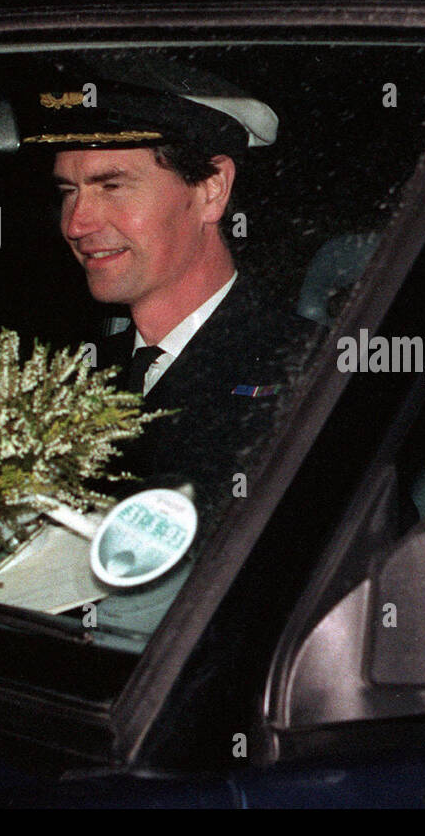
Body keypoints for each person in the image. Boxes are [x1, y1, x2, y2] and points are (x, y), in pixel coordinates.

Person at [20, 62, 321, 518]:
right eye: (68, 191)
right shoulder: (65, 374)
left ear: (211, 189)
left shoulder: (308, 372)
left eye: (112, 186)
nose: (76, 223)